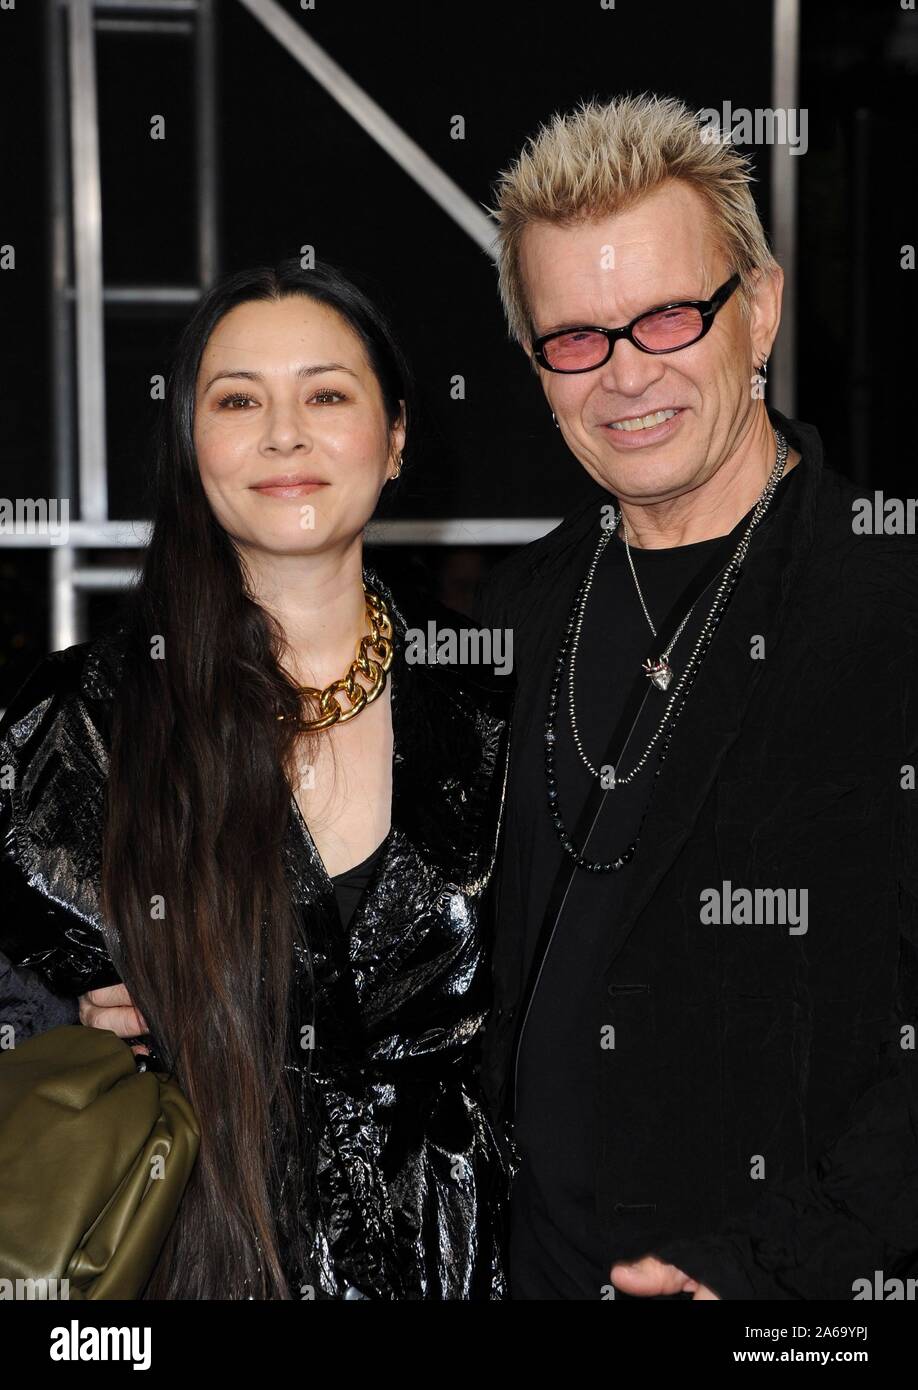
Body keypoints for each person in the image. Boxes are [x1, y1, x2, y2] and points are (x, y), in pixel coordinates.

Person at [474, 93, 918, 1300]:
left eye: (668, 317)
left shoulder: (888, 599)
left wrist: (775, 1269)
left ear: (759, 308)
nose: (626, 376)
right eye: (576, 337)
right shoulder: (510, 617)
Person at [0, 258, 513, 1300]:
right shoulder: (73, 727)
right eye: (239, 399)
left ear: (398, 435)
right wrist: (51, 1027)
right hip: (195, 1263)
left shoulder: (504, 702)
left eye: (327, 393)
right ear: (193, 445)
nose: (287, 433)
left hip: (477, 1266)